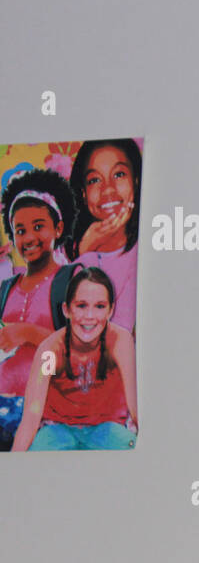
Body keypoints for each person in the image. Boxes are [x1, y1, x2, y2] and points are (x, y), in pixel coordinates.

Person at [11, 266, 137, 452]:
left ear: (110, 311)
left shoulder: (120, 340)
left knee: (130, 446)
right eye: (81, 305)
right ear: (66, 309)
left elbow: (135, 406)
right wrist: (13, 470)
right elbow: (31, 416)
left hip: (106, 429)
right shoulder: (50, 351)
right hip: (57, 429)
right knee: (35, 455)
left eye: (100, 306)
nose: (89, 316)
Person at [0, 169, 77, 450]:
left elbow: (81, 352)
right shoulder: (6, 287)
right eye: (20, 230)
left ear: (58, 228)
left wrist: (28, 333)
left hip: (47, 415)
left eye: (38, 226)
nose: (29, 237)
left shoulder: (69, 280)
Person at [68, 138, 142, 334]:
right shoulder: (65, 256)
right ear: (83, 193)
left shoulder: (146, 251)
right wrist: (86, 251)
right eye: (94, 180)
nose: (108, 189)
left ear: (135, 181)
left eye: (119, 174)